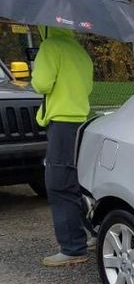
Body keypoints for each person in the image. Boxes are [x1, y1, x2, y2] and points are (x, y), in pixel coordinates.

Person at [31, 25, 94, 267]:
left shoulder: (50, 47)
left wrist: (37, 68)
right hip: (81, 122)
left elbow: (42, 85)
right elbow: (87, 88)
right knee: (77, 181)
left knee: (58, 184)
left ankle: (72, 248)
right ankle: (92, 233)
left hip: (61, 123)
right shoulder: (79, 50)